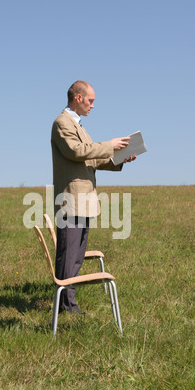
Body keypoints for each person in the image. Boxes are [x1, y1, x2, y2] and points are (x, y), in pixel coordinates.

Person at [51, 80, 136, 314]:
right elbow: (77, 152)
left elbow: (92, 158)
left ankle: (68, 304)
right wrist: (109, 145)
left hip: (84, 203)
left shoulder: (80, 126)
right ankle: (66, 306)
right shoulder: (62, 123)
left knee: (76, 256)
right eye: (91, 100)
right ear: (78, 98)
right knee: (69, 255)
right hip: (71, 202)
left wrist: (119, 158)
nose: (93, 105)